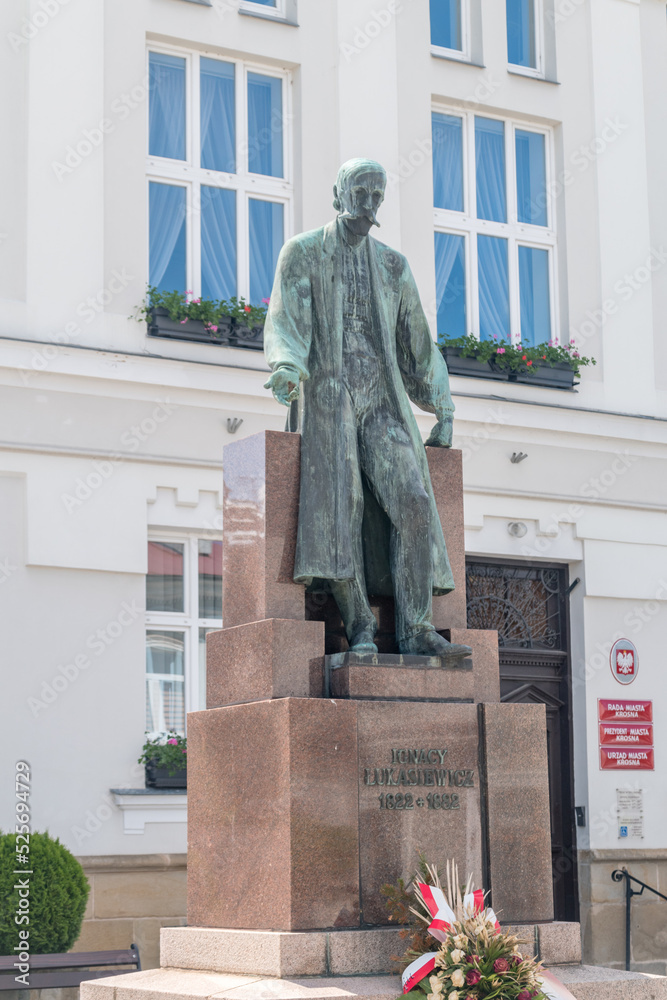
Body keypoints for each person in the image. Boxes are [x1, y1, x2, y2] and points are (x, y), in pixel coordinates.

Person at [263, 158, 471, 660]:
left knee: (416, 501)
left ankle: (417, 627)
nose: (370, 203)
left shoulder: (394, 266)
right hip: (330, 399)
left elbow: (417, 343)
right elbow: (285, 321)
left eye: (378, 194)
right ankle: (359, 626)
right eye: (361, 191)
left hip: (382, 400)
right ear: (339, 194)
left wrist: (441, 404)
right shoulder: (304, 252)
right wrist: (287, 366)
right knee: (342, 509)